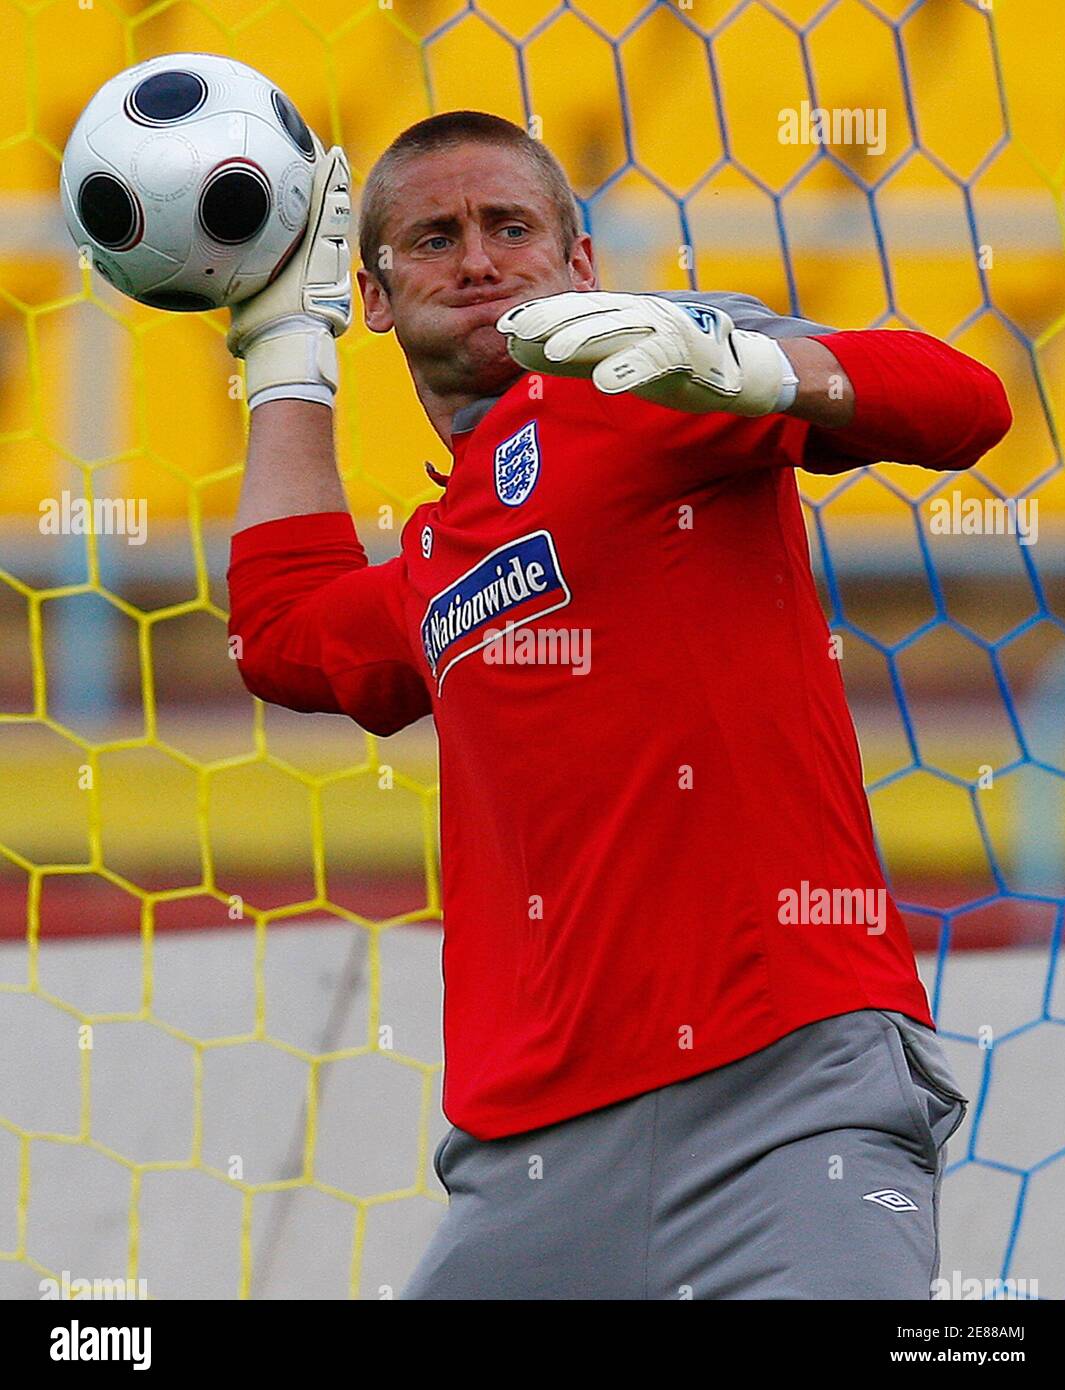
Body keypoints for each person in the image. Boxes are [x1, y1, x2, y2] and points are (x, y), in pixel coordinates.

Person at [225, 111, 1010, 1300]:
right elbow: (284, 636)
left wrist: (749, 361)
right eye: (434, 238)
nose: (479, 260)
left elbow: (965, 404)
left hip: (786, 1105)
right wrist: (287, 343)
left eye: (511, 227)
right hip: (527, 1165)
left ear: (579, 263)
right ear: (375, 296)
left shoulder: (654, 379)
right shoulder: (442, 549)